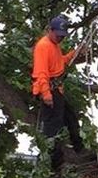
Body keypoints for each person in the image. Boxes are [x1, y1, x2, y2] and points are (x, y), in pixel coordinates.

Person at [31, 14, 84, 155]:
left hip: (56, 90)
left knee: (71, 118)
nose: (61, 38)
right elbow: (41, 72)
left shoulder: (54, 46)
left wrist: (74, 53)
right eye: (58, 35)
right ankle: (54, 160)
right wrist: (46, 94)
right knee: (53, 127)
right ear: (50, 30)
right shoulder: (43, 46)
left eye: (63, 36)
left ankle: (80, 149)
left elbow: (60, 62)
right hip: (49, 90)